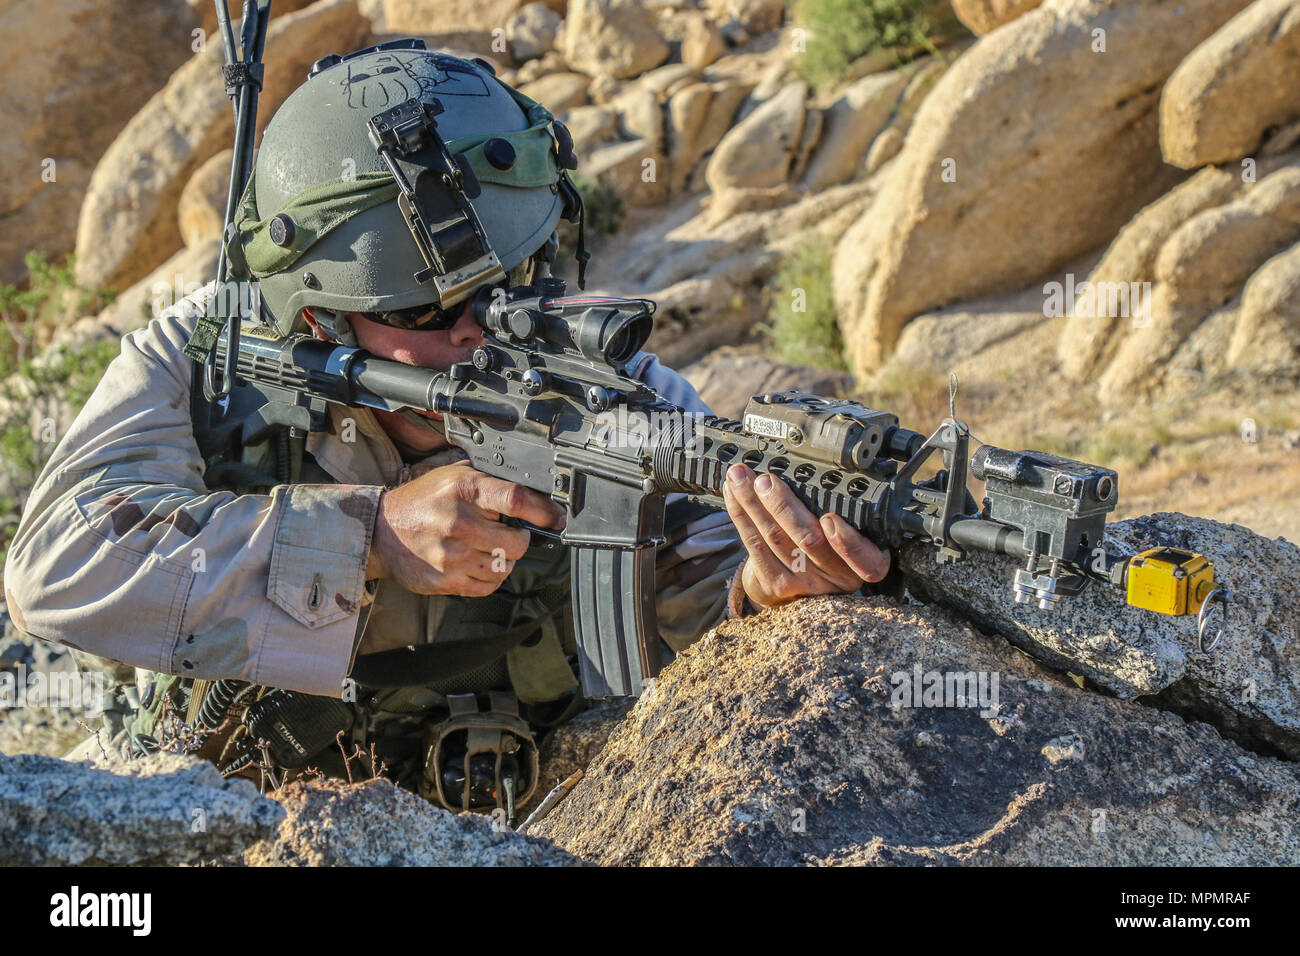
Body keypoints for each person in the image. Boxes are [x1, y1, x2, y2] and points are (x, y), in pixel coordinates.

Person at [3, 42, 888, 814]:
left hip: (547, 809)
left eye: (517, 278)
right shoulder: (203, 354)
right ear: (321, 317)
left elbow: (701, 578)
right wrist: (365, 540)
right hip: (253, 812)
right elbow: (53, 570)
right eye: (428, 310)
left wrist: (767, 592)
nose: (483, 330)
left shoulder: (609, 391)